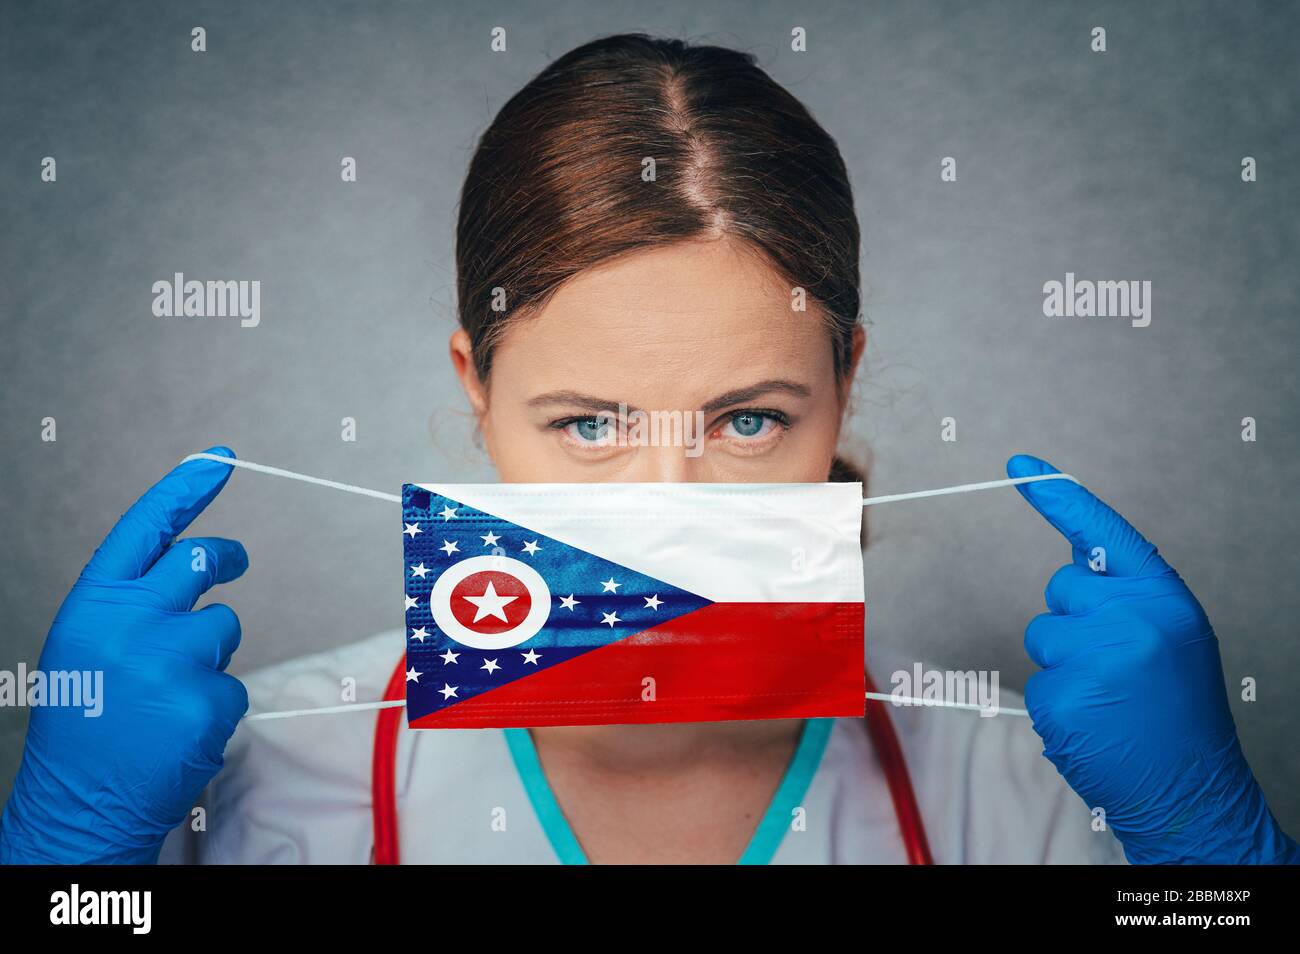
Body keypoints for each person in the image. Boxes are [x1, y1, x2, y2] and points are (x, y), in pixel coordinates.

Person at [1, 34, 1295, 866]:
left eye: (749, 419)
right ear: (477, 388)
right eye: (587, 424)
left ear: (842, 387)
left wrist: (1215, 856)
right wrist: (67, 869)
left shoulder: (1030, 790)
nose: (667, 506)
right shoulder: (249, 776)